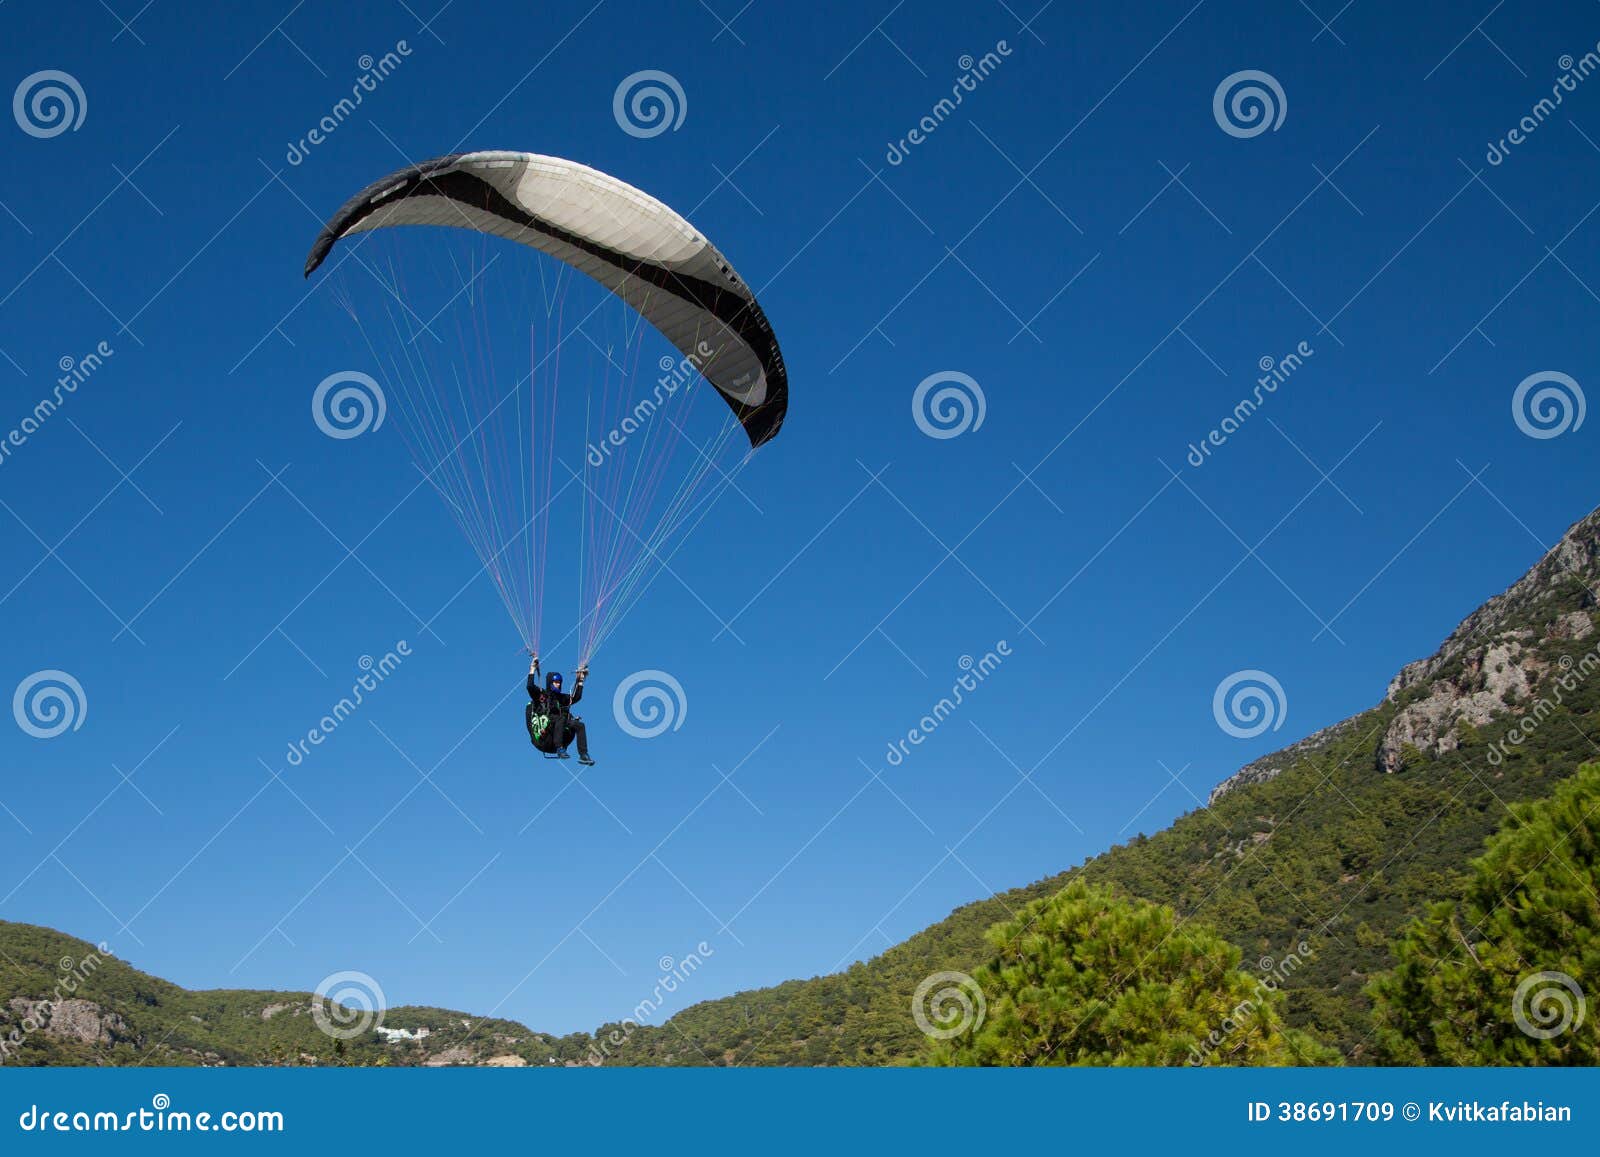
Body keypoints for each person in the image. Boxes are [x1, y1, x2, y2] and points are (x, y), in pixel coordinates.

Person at [526, 653, 593, 765]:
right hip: (546, 732)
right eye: (555, 682)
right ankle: (559, 749)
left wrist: (581, 681)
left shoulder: (562, 698)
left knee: (579, 725)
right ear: (550, 683)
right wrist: (532, 669)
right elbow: (530, 687)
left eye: (559, 683)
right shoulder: (541, 695)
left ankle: (583, 755)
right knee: (560, 719)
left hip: (558, 727)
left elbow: (576, 697)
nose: (558, 685)